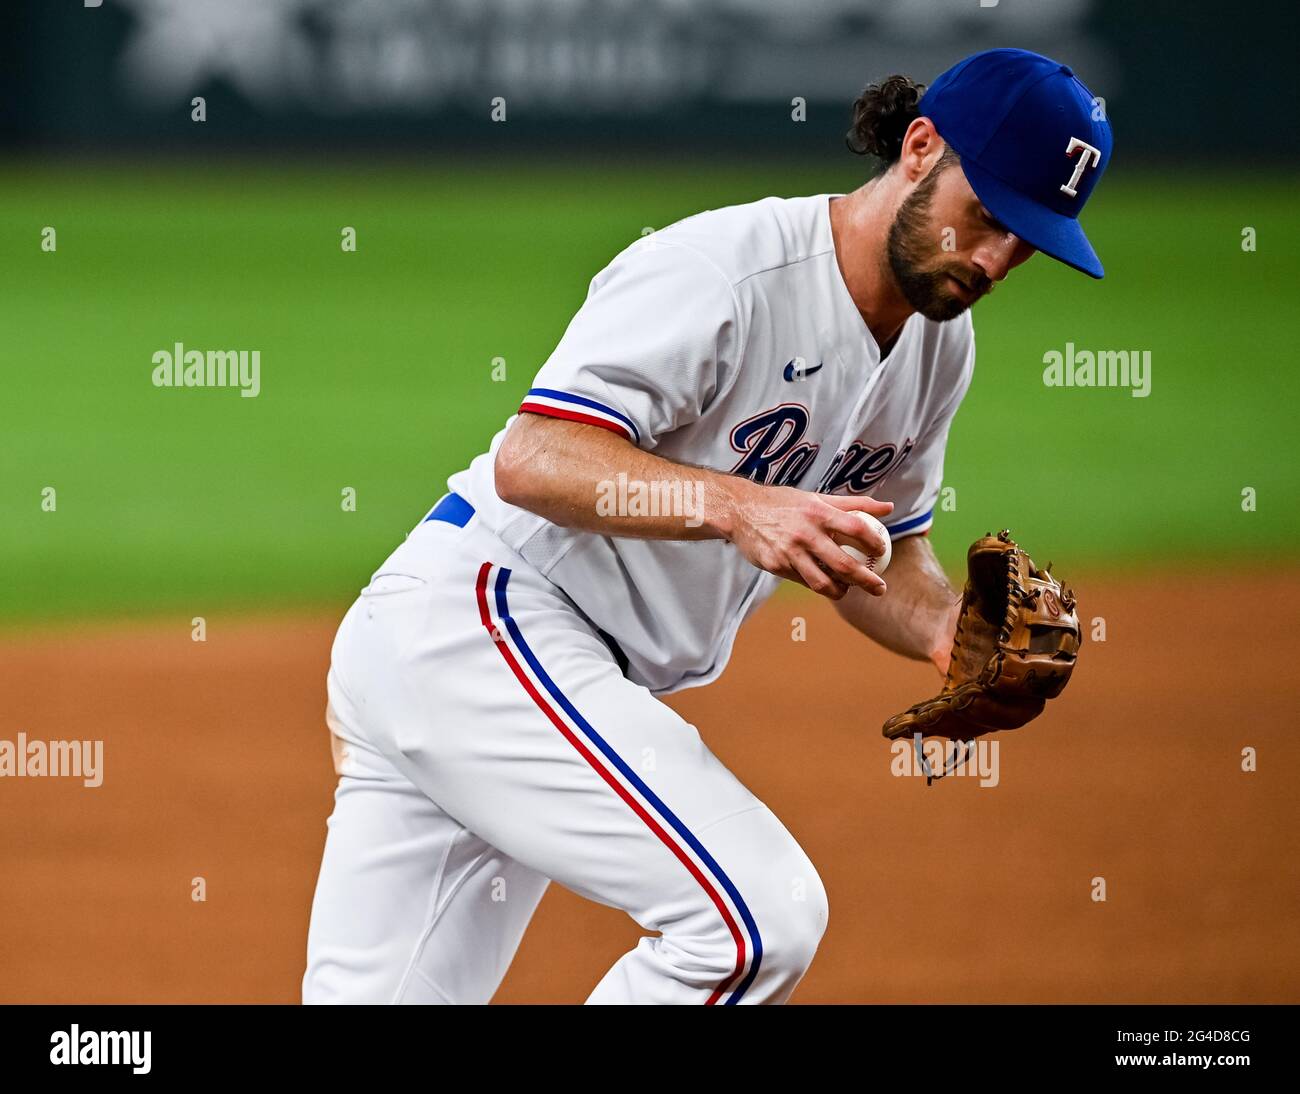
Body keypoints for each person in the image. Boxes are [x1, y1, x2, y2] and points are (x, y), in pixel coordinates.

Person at [302, 47, 1112, 1005]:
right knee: (756, 922)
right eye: (986, 217)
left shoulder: (940, 345)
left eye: (1027, 241)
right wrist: (738, 505)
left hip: (521, 676)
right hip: (484, 623)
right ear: (919, 149)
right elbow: (534, 457)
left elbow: (884, 549)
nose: (993, 260)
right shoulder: (727, 273)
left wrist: (944, 630)